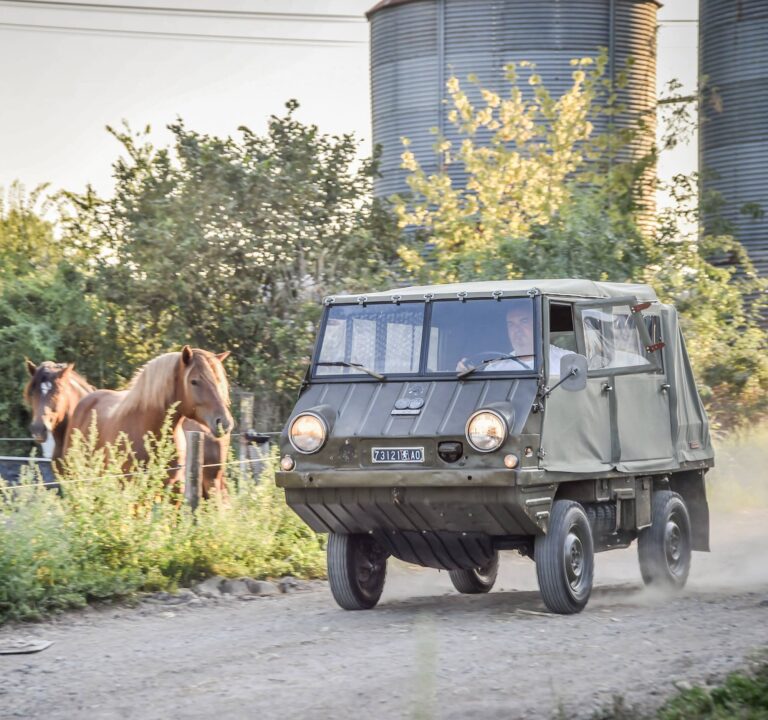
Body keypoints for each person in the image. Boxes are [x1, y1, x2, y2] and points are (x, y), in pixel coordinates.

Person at [457, 303, 572, 376]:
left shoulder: (566, 361)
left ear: (539, 325)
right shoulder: (496, 368)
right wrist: (471, 379)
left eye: (524, 321)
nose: (517, 329)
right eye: (511, 324)